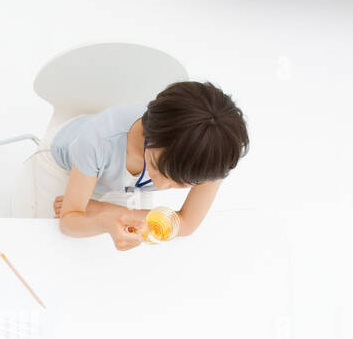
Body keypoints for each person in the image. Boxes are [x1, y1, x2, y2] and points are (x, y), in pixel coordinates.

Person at [36, 81, 248, 251]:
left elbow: (185, 225)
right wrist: (103, 221)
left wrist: (103, 209)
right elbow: (68, 221)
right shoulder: (97, 141)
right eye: (158, 168)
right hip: (63, 158)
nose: (163, 186)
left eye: (183, 183)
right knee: (48, 240)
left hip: (123, 181)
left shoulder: (212, 156)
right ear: (148, 133)